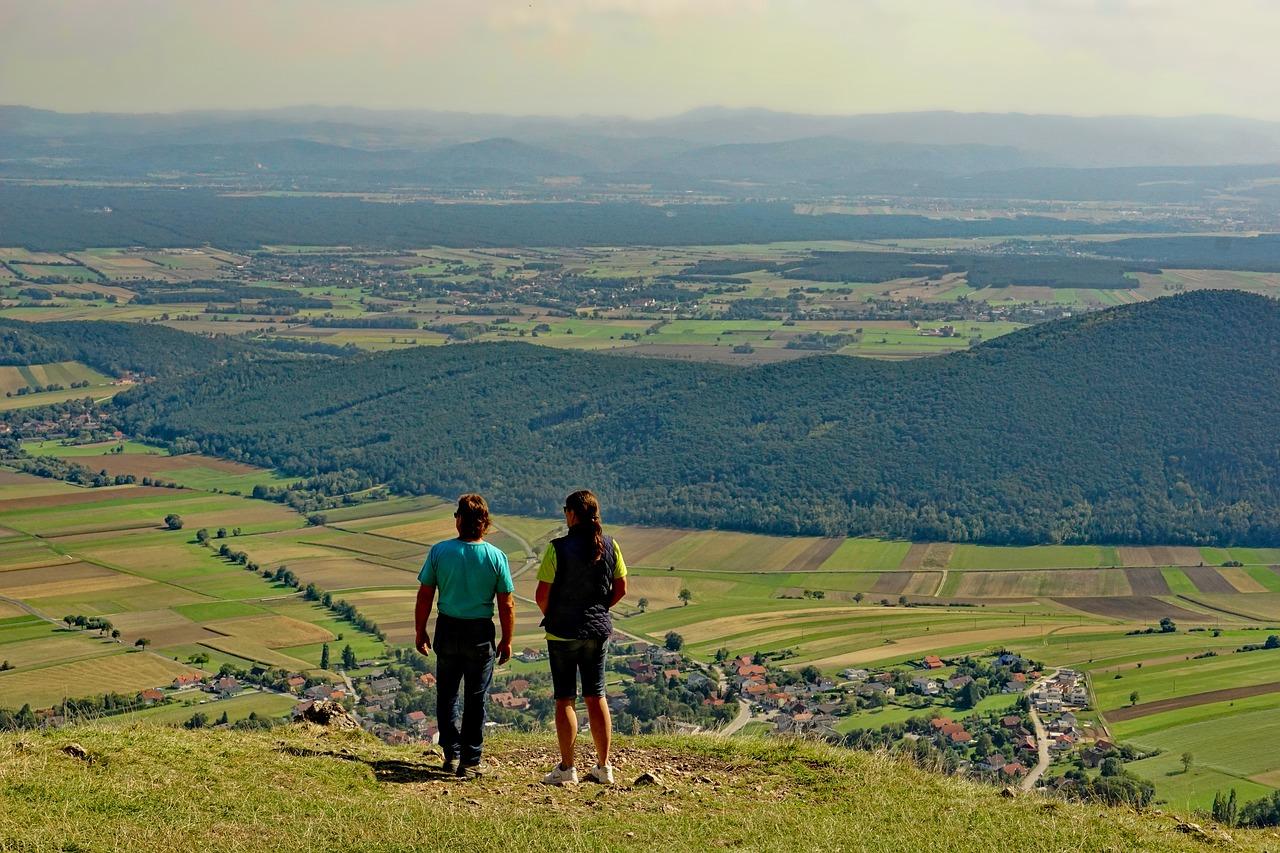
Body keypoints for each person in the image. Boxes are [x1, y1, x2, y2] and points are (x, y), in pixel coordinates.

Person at [415, 494, 515, 778]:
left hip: (446, 629)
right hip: (480, 632)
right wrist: (507, 639)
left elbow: (425, 595)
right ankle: (470, 760)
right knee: (476, 697)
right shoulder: (496, 557)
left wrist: (420, 629)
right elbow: (506, 603)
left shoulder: (439, 552)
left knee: (446, 695)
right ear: (484, 523)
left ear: (459, 519)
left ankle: (451, 753)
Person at [536, 489, 627, 785]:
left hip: (562, 633)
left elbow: (541, 596)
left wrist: (559, 613)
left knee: (565, 699)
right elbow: (621, 588)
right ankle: (604, 767)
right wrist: (599, 608)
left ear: (572, 514)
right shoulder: (611, 546)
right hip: (597, 631)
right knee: (596, 694)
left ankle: (567, 768)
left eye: (565, 510)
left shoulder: (556, 548)